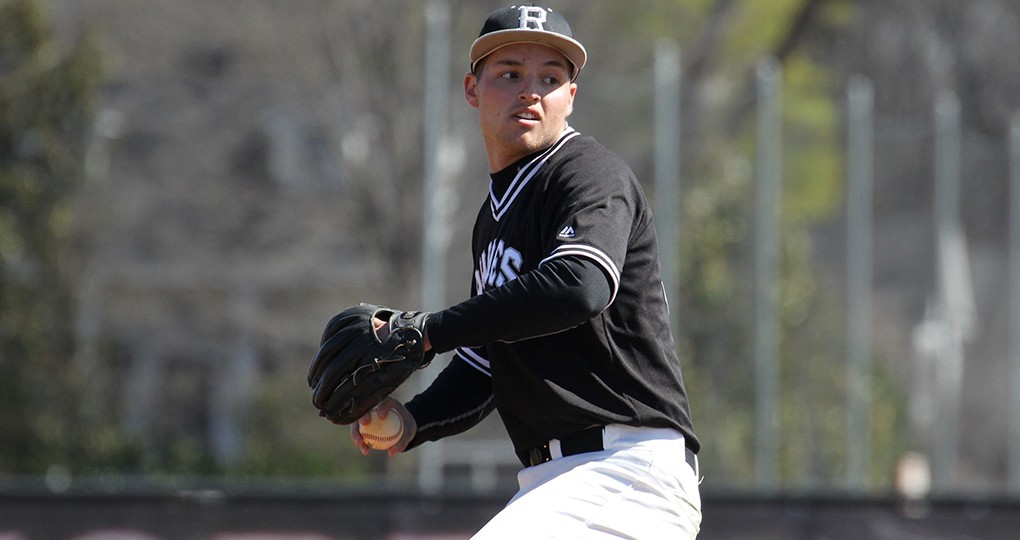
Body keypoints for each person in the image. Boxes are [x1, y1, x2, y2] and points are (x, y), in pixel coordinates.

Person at [351, 4, 702, 537]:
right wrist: (412, 421)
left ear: (571, 97)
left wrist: (429, 331)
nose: (530, 90)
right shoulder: (492, 219)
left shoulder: (587, 173)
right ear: (473, 90)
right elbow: (483, 365)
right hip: (555, 481)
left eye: (551, 78)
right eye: (510, 73)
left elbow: (581, 285)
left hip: (626, 469)